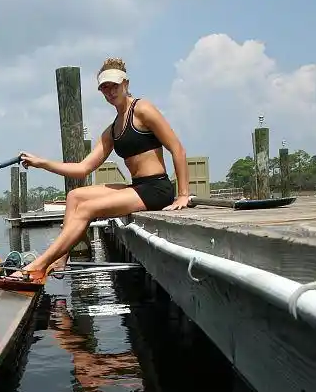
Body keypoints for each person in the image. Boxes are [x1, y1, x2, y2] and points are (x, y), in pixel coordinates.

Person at [10, 58, 191, 282]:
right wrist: (42, 163)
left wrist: (183, 194)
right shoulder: (113, 129)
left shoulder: (143, 109)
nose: (110, 91)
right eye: (105, 87)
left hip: (157, 189)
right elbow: (82, 168)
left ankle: (38, 266)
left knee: (88, 208)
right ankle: (60, 260)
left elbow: (177, 149)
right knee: (75, 196)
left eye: (114, 85)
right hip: (138, 187)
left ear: (125, 83)